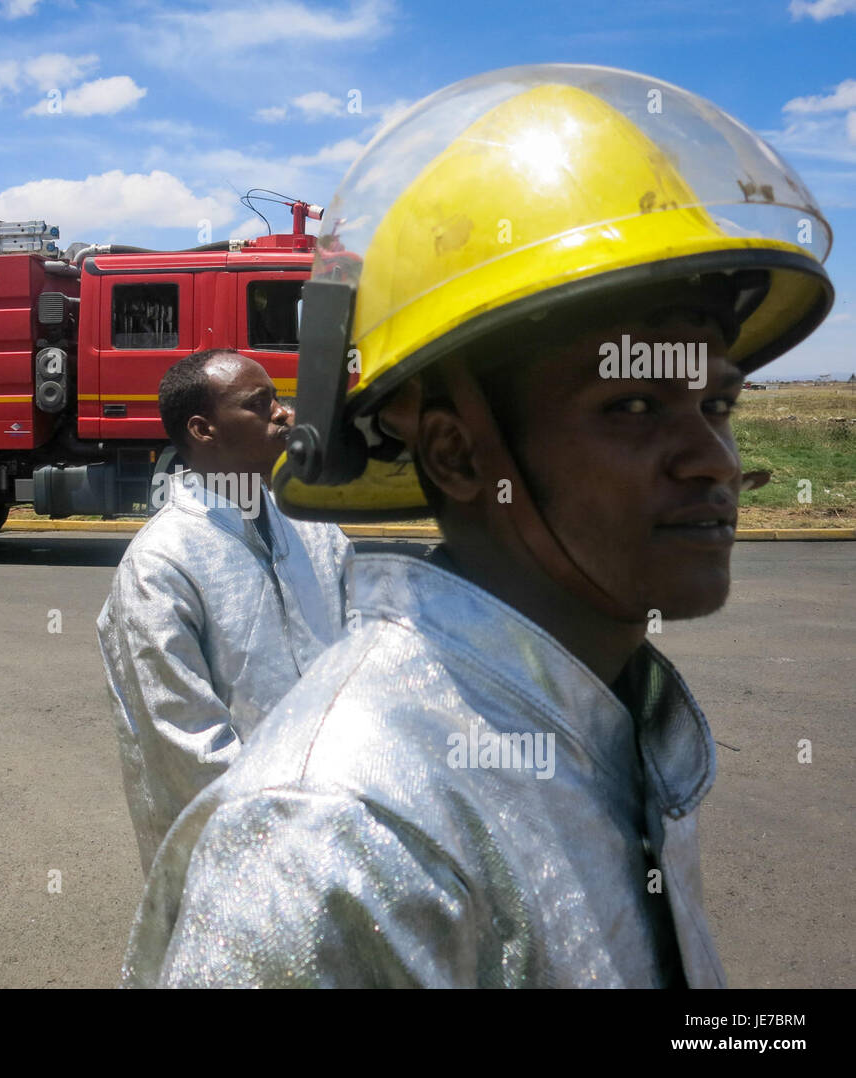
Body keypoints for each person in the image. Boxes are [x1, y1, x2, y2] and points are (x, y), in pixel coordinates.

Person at [122, 66, 834, 987]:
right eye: (633, 405)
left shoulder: (612, 723)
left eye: (719, 407)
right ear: (458, 454)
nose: (715, 462)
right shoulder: (335, 833)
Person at [97, 349, 353, 875]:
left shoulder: (315, 528)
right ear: (203, 429)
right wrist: (293, 828)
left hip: (340, 827)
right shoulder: (160, 565)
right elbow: (188, 745)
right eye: (260, 405)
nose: (284, 414)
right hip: (237, 863)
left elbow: (362, 656)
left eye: (277, 399)